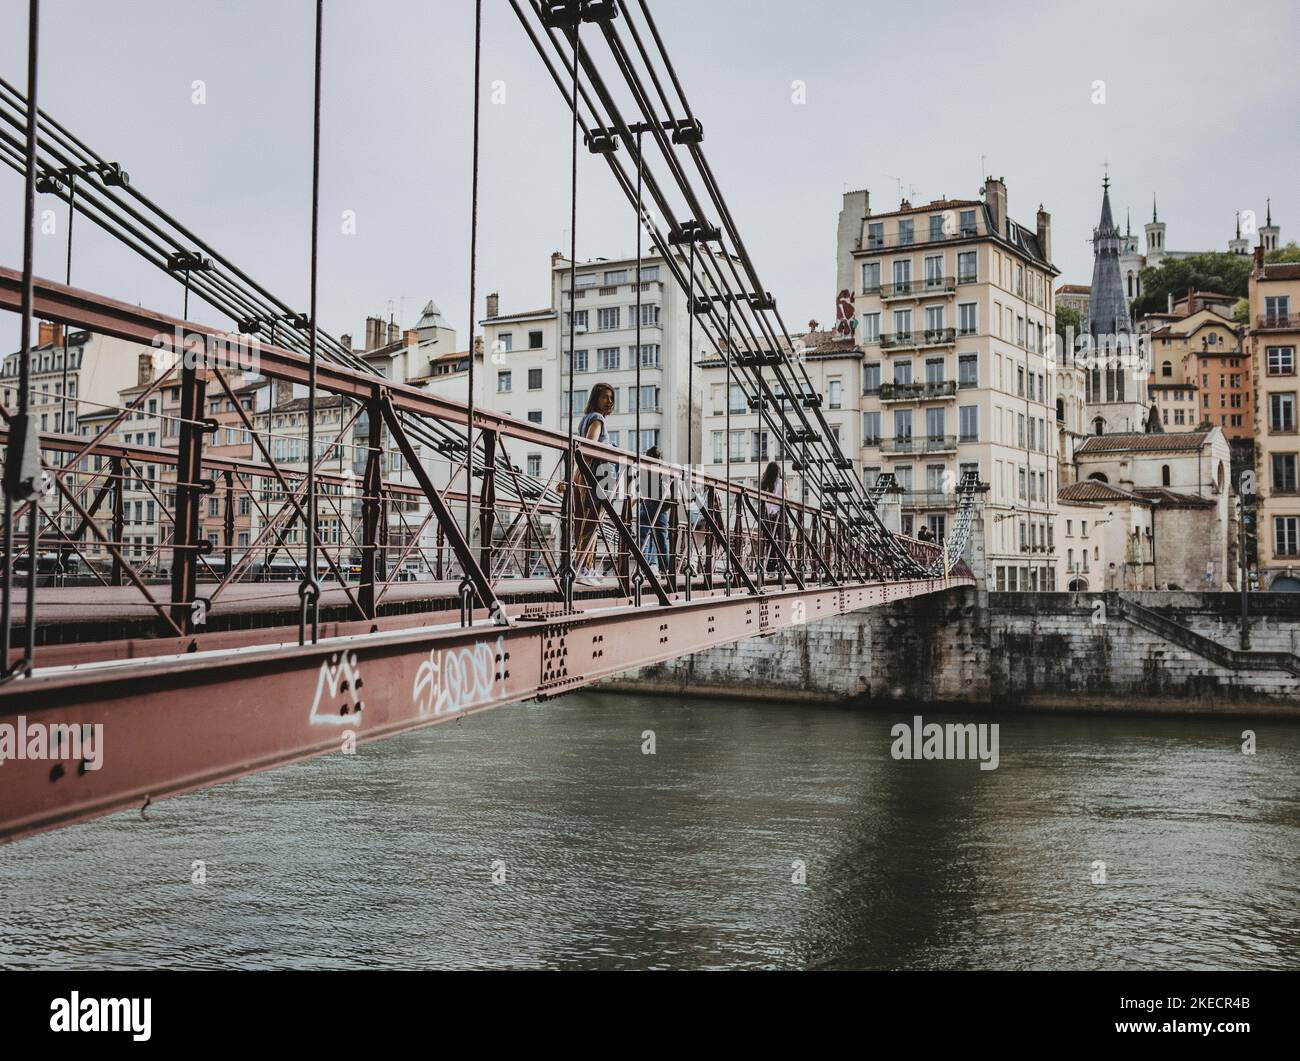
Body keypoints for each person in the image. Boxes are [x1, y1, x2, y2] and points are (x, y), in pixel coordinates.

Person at [573, 383, 616, 585]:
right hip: (600, 474)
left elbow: (582, 450)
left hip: (589, 474)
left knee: (586, 522)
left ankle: (586, 567)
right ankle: (583, 568)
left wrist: (577, 476)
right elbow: (589, 448)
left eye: (611, 397)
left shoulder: (585, 419)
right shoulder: (597, 419)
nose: (609, 401)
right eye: (604, 397)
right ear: (595, 399)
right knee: (593, 523)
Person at [638, 446, 671, 575]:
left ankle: (642, 567)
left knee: (643, 538)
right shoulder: (665, 471)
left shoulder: (645, 470)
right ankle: (664, 569)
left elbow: (640, 490)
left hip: (647, 505)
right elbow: (667, 493)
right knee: (662, 538)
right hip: (659, 507)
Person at [760, 461, 786, 573]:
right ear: (778, 472)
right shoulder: (781, 483)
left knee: (769, 540)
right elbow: (786, 499)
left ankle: (771, 565)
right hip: (779, 515)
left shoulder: (764, 484)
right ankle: (781, 564)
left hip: (767, 515)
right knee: (785, 538)